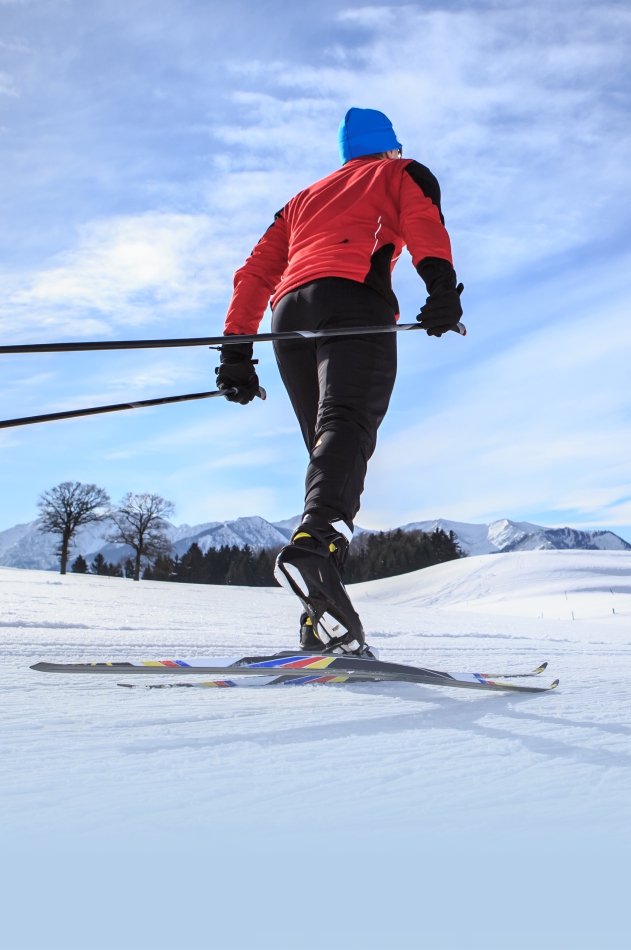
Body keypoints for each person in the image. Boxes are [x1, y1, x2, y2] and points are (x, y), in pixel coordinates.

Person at [215, 107, 463, 656]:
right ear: (391, 147)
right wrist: (442, 290)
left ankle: (322, 616)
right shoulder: (399, 174)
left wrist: (237, 353)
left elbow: (254, 272)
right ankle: (315, 551)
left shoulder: (300, 200)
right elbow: (425, 223)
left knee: (330, 452)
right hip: (353, 300)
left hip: (289, 316)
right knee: (345, 428)